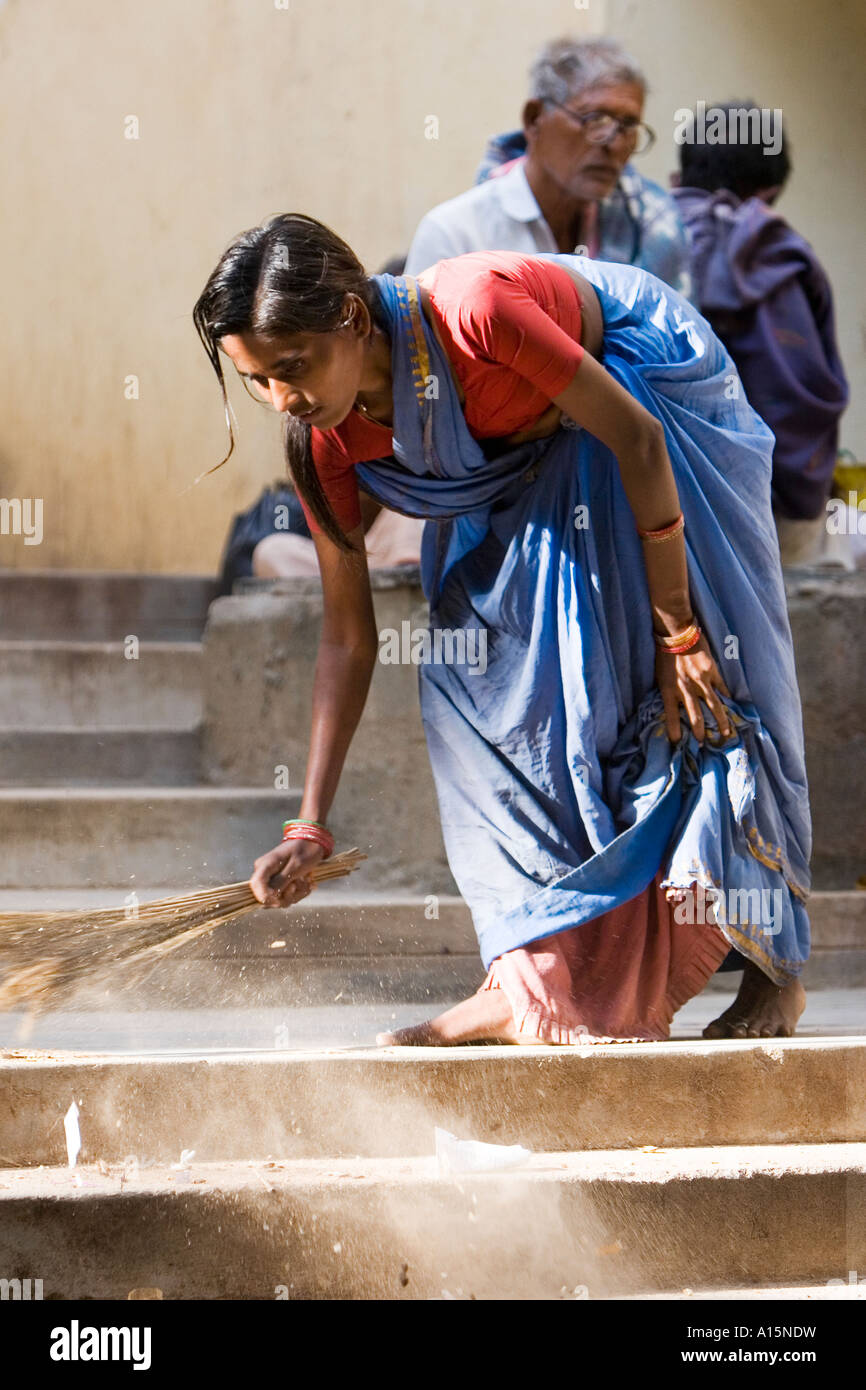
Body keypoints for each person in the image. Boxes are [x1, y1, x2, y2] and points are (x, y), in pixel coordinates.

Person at [193, 214, 811, 1045]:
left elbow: (636, 436)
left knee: (702, 689)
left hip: (642, 405)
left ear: (350, 316)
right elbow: (348, 633)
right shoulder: (324, 442)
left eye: (292, 368)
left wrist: (681, 634)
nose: (283, 399)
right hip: (514, 469)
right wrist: (308, 825)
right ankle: (530, 980)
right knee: (472, 693)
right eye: (258, 380)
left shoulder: (476, 311)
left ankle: (778, 974)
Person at [672, 101, 851, 566]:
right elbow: (796, 398)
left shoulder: (639, 237)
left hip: (648, 503)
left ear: (682, 174)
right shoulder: (777, 256)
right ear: (769, 191)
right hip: (768, 511)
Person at [405, 36, 691, 297]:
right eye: (595, 119)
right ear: (534, 119)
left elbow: (681, 346)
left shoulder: (648, 227)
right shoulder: (457, 234)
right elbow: (420, 350)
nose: (614, 144)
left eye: (628, 125)